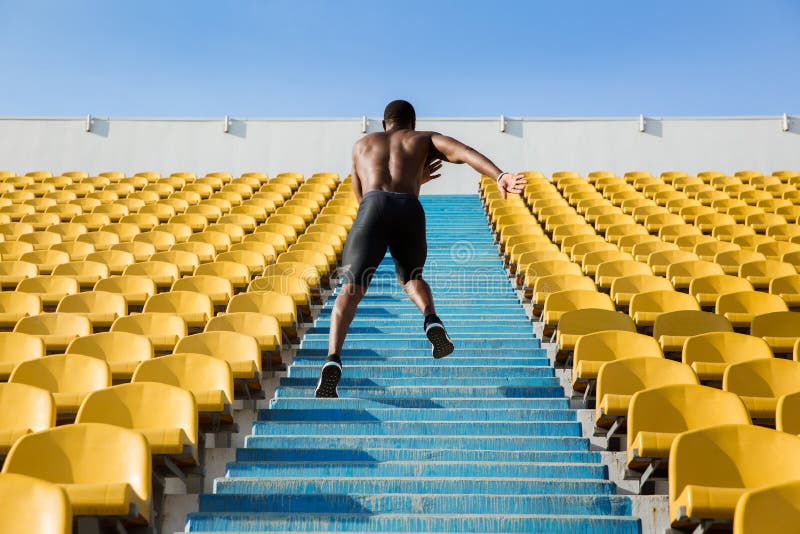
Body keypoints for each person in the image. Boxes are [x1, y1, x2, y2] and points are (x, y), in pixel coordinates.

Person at [315, 99, 526, 398]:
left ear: (384, 123)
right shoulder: (423, 138)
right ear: (412, 123)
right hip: (409, 208)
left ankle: (332, 358)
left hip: (372, 208)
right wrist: (500, 175)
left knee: (351, 286)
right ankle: (431, 319)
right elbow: (464, 152)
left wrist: (394, 192)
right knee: (412, 276)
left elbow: (362, 195)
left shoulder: (361, 145)